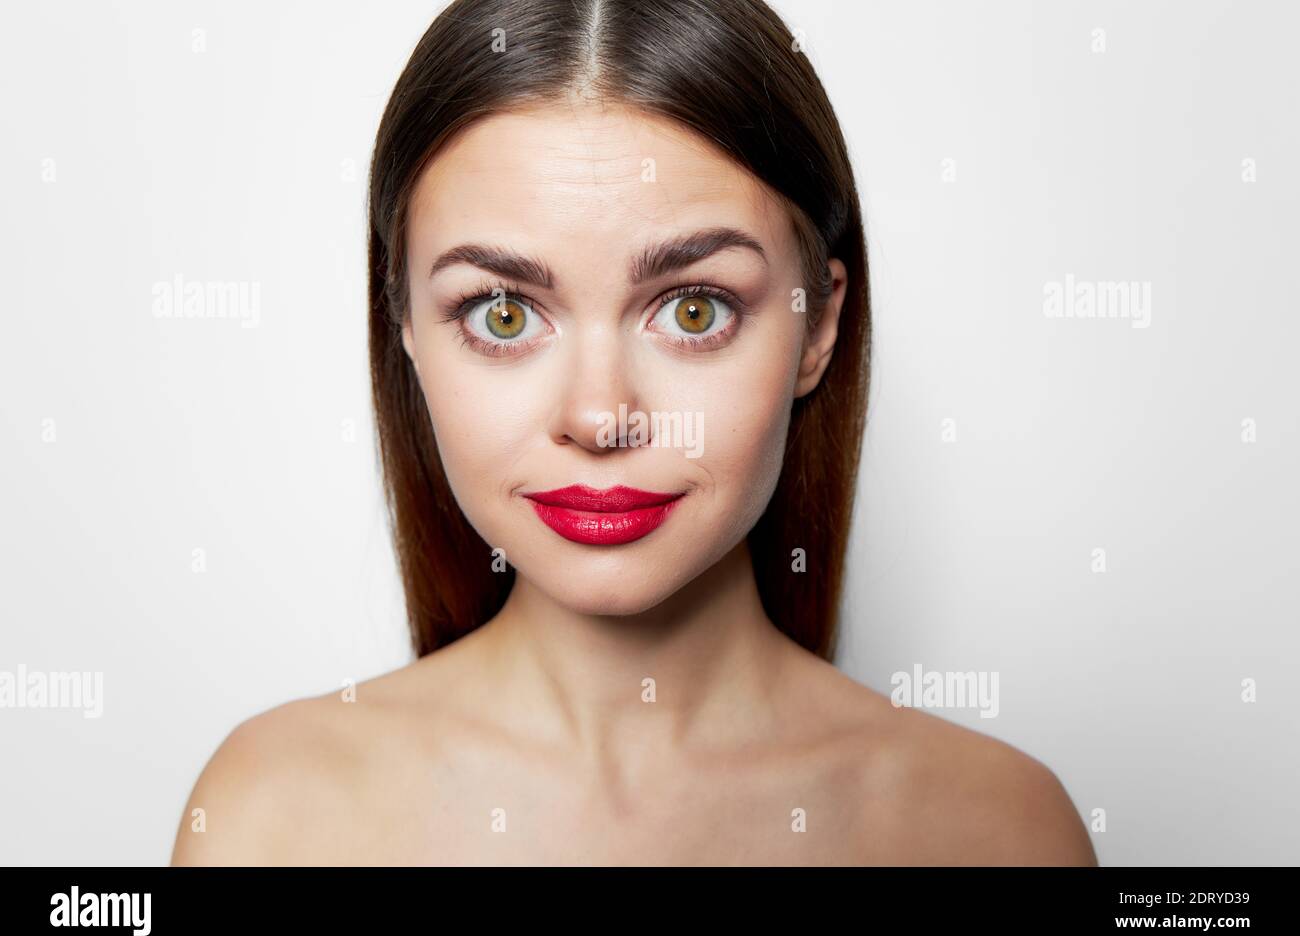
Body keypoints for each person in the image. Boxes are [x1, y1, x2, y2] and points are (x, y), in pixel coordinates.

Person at [171, 0, 1097, 865]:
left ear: (818, 327)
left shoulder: (1000, 830)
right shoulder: (271, 818)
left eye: (694, 311)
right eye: (502, 313)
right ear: (406, 327)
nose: (600, 417)